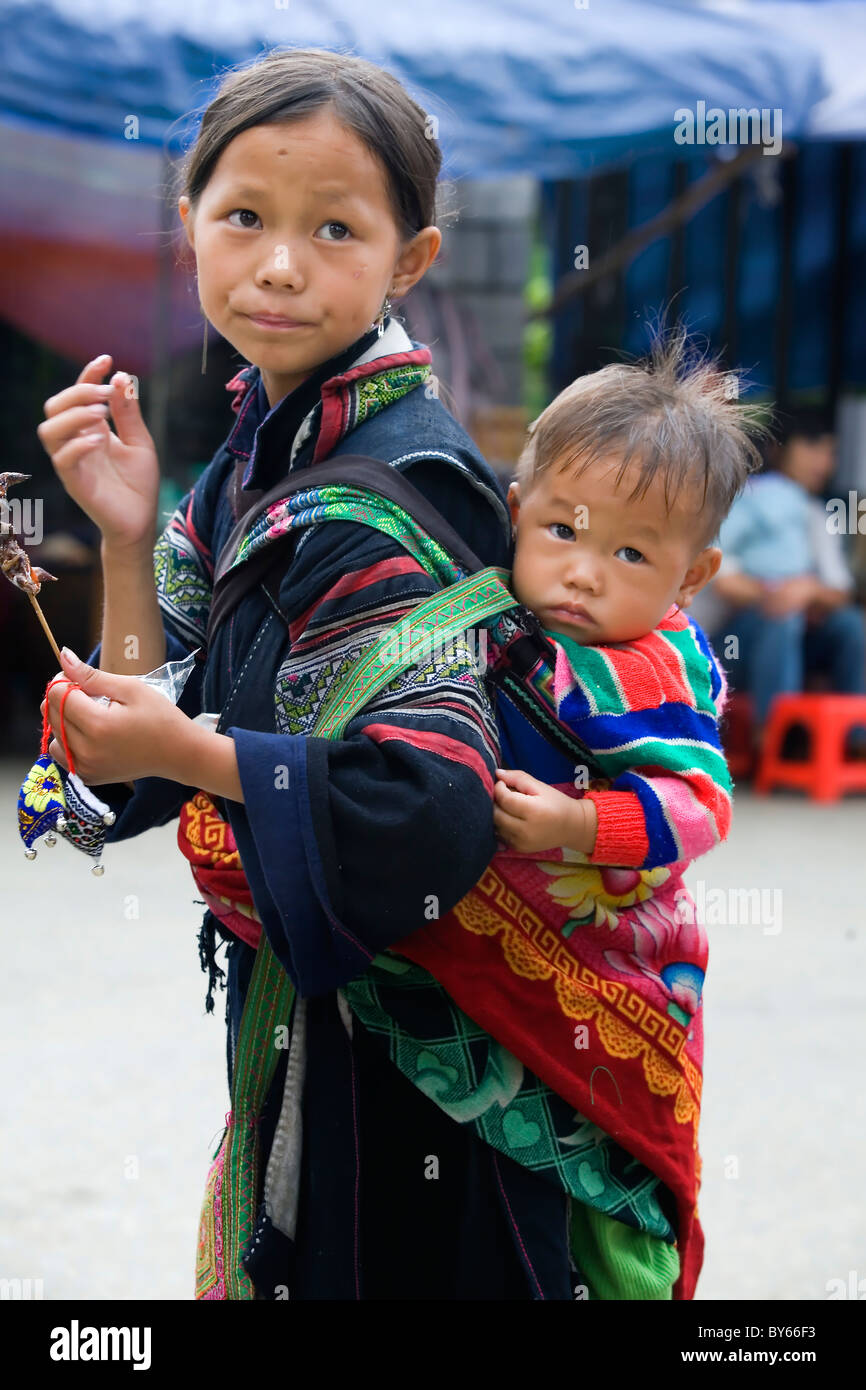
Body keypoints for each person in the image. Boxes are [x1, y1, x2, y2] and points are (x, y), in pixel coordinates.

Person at [34, 47, 660, 1302]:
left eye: (334, 228)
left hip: (420, 1093)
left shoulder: (390, 496)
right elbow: (124, 762)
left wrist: (185, 754)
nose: (278, 263)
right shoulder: (250, 458)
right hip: (317, 1055)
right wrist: (118, 529)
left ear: (407, 261)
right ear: (189, 226)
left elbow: (416, 819)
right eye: (245, 218)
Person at [391, 332, 765, 1300]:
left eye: (631, 551)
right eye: (562, 530)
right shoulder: (480, 616)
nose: (583, 572)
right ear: (513, 513)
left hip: (615, 961)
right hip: (487, 961)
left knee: (600, 1212)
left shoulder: (654, 671)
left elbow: (698, 805)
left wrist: (577, 824)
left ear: (690, 576)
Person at [694, 408, 866, 746]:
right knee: (782, 619)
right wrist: (772, 593)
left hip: (799, 633)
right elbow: (720, 573)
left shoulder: (816, 512)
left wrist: (807, 591)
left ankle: (856, 737)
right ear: (779, 449)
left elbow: (840, 590)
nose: (823, 462)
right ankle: (774, 740)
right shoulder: (745, 498)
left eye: (829, 452)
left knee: (851, 625)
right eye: (812, 447)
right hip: (737, 643)